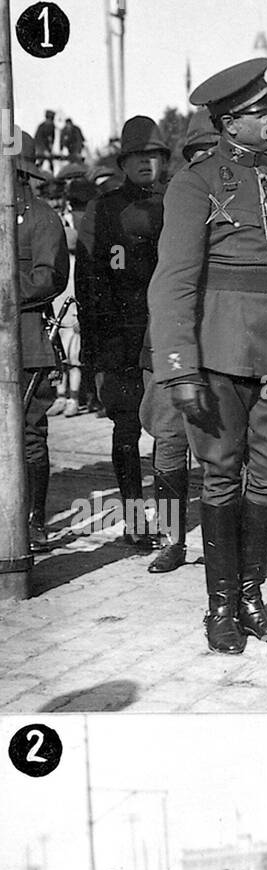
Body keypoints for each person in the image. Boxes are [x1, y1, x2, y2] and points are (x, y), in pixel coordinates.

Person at [149, 58, 267, 654]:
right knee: (220, 474)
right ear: (230, 123)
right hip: (216, 351)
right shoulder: (196, 183)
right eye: (263, 112)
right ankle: (219, 609)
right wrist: (179, 366)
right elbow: (174, 282)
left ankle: (251, 598)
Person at [82, 116, 179, 557]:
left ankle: (169, 521)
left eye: (154, 156)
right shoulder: (102, 209)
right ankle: (136, 519)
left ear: (163, 160)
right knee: (126, 428)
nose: (146, 163)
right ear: (123, 162)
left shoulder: (178, 201)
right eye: (137, 156)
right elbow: (89, 284)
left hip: (165, 334)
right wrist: (93, 355)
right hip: (121, 337)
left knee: (167, 430)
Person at [13, 128, 70, 553]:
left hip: (29, 340)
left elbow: (48, 279)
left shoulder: (41, 217)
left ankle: (34, 521)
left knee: (30, 433)